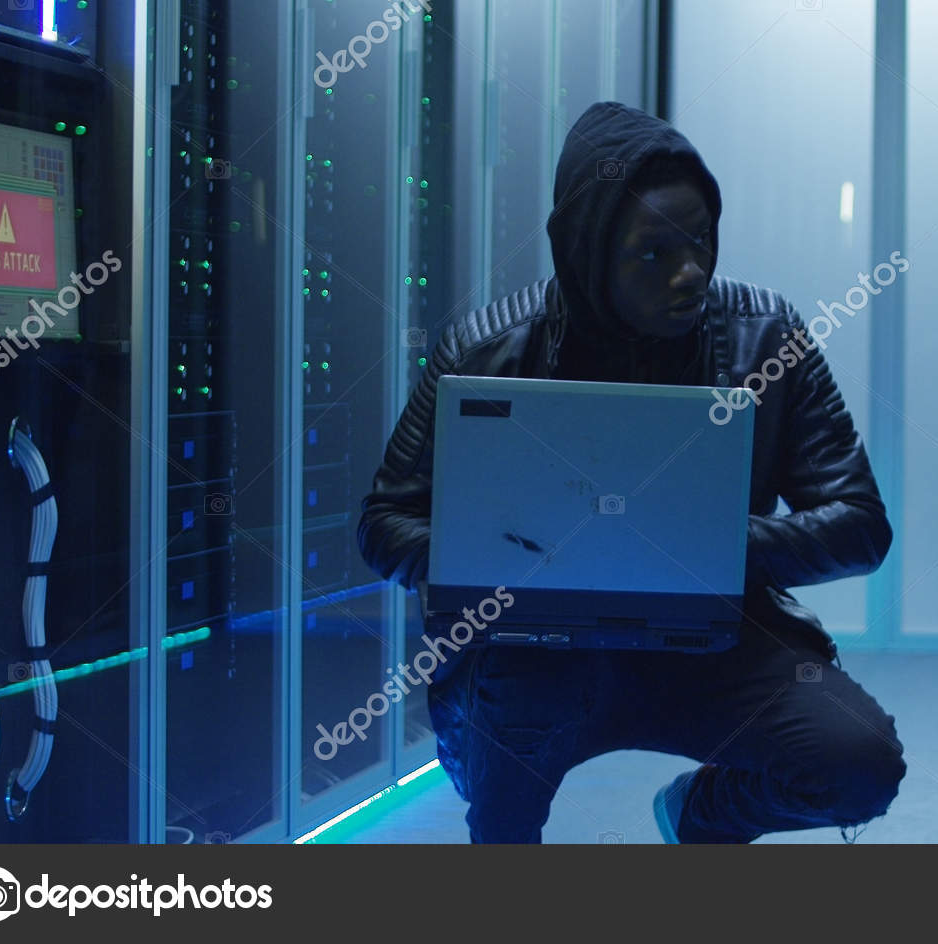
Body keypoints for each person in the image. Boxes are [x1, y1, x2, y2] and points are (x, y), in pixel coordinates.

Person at [357, 101, 904, 843]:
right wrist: (507, 559)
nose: (692, 273)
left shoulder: (769, 338)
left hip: (717, 642)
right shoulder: (487, 349)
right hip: (537, 652)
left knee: (861, 764)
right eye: (655, 253)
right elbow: (384, 523)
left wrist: (710, 545)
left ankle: (701, 816)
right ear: (589, 251)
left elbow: (861, 527)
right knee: (509, 784)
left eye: (701, 243)